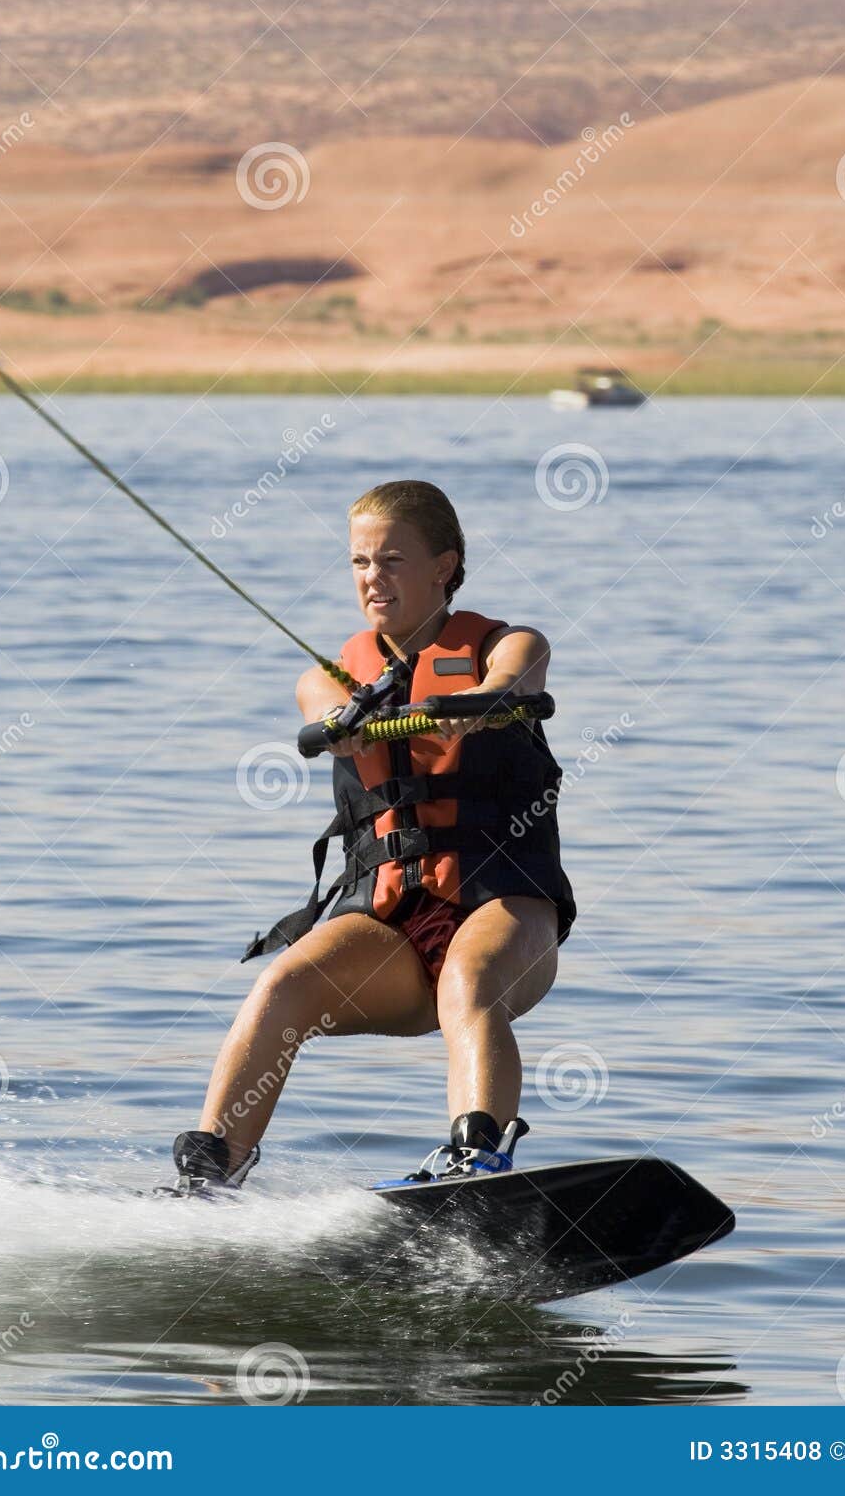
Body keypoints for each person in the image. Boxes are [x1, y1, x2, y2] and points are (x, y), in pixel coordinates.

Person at [165, 480, 576, 1194]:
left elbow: (515, 677)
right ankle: (209, 1178)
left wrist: (473, 706)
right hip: (388, 923)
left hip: (502, 904)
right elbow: (318, 711)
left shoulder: (508, 644)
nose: (370, 579)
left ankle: (476, 1163)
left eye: (389, 561)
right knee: (282, 985)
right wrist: (345, 719)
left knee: (469, 980)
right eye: (358, 563)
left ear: (441, 567)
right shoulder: (329, 674)